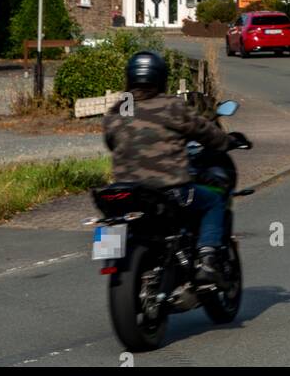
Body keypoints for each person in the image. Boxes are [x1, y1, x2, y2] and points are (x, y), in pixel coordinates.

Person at [103, 50, 246, 285]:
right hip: (168, 188)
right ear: (160, 78)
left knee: (114, 222)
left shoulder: (120, 108)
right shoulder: (171, 105)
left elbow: (110, 141)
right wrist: (227, 141)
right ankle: (207, 258)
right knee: (214, 201)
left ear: (129, 77)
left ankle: (114, 263)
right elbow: (205, 132)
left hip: (125, 191)